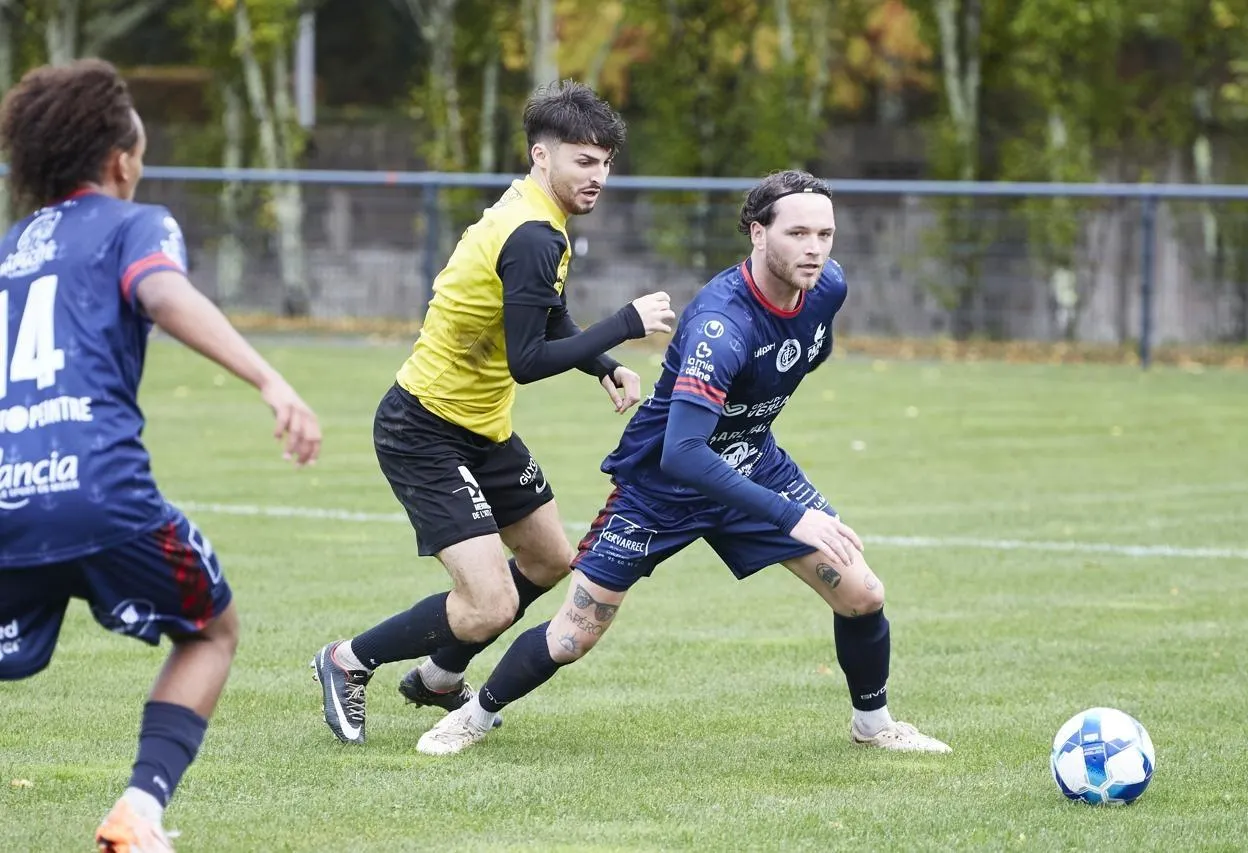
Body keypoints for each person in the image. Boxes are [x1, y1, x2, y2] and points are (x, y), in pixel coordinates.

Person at [415, 170, 951, 756]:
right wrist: (793, 517)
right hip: (663, 486)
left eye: (825, 234)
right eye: (798, 233)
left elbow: (794, 360)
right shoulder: (720, 327)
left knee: (863, 593)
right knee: (573, 636)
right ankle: (474, 716)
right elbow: (684, 452)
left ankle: (874, 725)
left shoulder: (828, 288)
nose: (815, 248)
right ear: (757, 234)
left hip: (751, 462)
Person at [0, 59, 323, 852]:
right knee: (212, 630)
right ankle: (138, 812)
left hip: (7, 496)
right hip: (104, 493)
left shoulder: (9, 249)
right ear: (121, 160)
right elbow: (162, 292)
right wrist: (269, 378)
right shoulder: (132, 224)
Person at [312, 79, 674, 745]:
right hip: (422, 427)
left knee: (547, 560)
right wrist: (624, 324)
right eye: (583, 160)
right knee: (489, 604)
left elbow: (540, 310)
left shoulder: (536, 214)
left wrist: (602, 363)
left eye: (605, 162)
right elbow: (528, 361)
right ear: (543, 155)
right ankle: (347, 660)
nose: (598, 176)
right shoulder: (534, 231)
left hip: (482, 427)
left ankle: (441, 676)